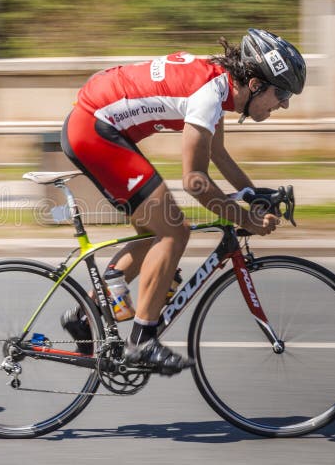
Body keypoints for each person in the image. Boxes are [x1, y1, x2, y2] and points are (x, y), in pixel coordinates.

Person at [60, 28, 306, 375]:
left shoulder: (220, 86)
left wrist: (253, 195)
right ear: (254, 84)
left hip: (100, 126)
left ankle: (85, 313)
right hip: (94, 129)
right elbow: (194, 181)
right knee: (175, 231)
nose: (284, 103)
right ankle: (142, 342)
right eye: (281, 92)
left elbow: (216, 153)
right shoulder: (210, 93)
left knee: (154, 231)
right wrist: (246, 220)